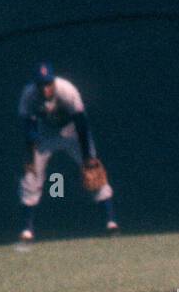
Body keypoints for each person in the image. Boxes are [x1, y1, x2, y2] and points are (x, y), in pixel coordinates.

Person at [16, 62, 119, 242]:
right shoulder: (29, 94)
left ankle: (110, 221)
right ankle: (27, 229)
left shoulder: (67, 91)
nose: (45, 88)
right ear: (36, 84)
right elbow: (28, 127)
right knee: (30, 177)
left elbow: (82, 124)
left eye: (48, 83)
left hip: (71, 132)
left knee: (94, 172)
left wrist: (88, 156)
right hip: (44, 134)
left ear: (54, 81)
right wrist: (29, 157)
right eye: (41, 84)